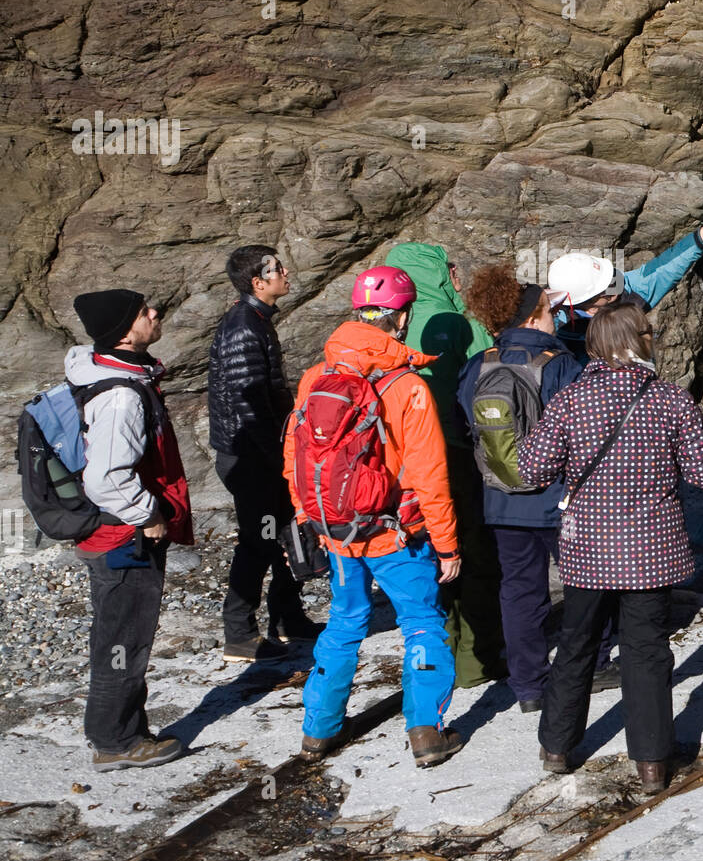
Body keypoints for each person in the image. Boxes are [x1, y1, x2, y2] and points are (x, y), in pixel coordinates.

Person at [518, 303, 703, 794]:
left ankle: (557, 746)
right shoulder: (669, 399)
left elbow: (531, 468)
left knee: (576, 644)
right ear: (638, 340)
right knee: (646, 650)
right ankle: (652, 761)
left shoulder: (570, 400)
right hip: (650, 549)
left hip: (587, 547)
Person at [284, 266, 464, 768]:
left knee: (344, 623)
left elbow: (296, 462)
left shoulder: (316, 378)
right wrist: (448, 544)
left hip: (337, 533)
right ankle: (426, 731)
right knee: (423, 623)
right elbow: (431, 476)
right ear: (401, 318)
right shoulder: (408, 387)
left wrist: (309, 518)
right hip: (397, 532)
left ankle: (319, 729)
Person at [66, 290, 193, 772]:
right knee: (123, 638)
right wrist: (151, 515)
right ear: (124, 330)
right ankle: (114, 741)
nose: (155, 314)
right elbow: (107, 478)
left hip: (111, 534)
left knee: (119, 632)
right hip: (123, 537)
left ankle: (124, 730)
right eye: (145, 312)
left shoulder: (107, 373)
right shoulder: (120, 396)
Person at [457, 264, 581, 712]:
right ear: (531, 317)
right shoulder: (562, 364)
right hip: (557, 498)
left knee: (519, 589)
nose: (555, 319)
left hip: (499, 498)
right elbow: (578, 432)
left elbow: (467, 426)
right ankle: (595, 660)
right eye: (549, 311)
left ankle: (528, 685)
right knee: (583, 584)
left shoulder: (478, 364)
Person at [384, 242, 505, 688]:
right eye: (451, 271)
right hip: (455, 455)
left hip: (400, 465)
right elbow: (490, 373)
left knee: (429, 554)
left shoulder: (391, 324)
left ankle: (439, 653)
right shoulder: (458, 322)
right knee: (471, 554)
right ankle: (477, 661)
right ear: (440, 273)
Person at [208, 245, 318, 663]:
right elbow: (246, 403)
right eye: (277, 269)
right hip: (250, 458)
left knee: (286, 531)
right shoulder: (243, 326)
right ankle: (239, 633)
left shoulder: (256, 319)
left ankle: (287, 618)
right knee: (262, 539)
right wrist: (279, 460)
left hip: (260, 453)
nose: (286, 272)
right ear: (259, 283)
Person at [545, 209, 703, 365]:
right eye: (604, 288)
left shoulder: (627, 290)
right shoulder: (552, 330)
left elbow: (665, 267)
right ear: (585, 303)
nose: (613, 287)